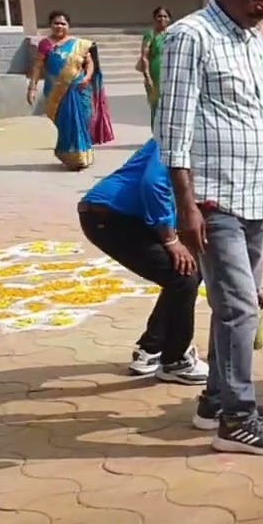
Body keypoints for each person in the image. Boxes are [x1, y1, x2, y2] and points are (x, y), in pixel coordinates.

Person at [156, 0, 263, 454]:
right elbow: (172, 129)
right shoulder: (190, 37)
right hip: (214, 197)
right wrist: (185, 205)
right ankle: (238, 419)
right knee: (238, 307)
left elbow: (255, 118)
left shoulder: (254, 40)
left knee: (241, 304)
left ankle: (216, 398)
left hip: (254, 194)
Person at [79, 140, 207, 384]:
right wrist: (170, 240)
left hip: (128, 217)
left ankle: (150, 350)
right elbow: (154, 184)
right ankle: (175, 360)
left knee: (188, 270)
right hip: (110, 217)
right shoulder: (178, 133)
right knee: (184, 277)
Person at [27, 10, 97, 170]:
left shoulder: (79, 44)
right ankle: (68, 155)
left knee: (81, 121)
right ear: (50, 25)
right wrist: (32, 87)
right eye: (56, 23)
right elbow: (38, 67)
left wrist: (87, 78)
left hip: (78, 89)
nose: (59, 26)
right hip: (55, 91)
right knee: (64, 123)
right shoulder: (45, 44)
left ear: (68, 26)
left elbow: (89, 63)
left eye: (63, 23)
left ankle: (82, 156)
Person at [138, 6, 171, 125]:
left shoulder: (173, 34)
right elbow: (144, 56)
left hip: (171, 71)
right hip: (155, 72)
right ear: (154, 18)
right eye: (159, 16)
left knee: (170, 103)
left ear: (169, 19)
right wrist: (147, 76)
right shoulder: (150, 35)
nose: (162, 18)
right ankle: (156, 136)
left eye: (165, 16)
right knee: (156, 105)